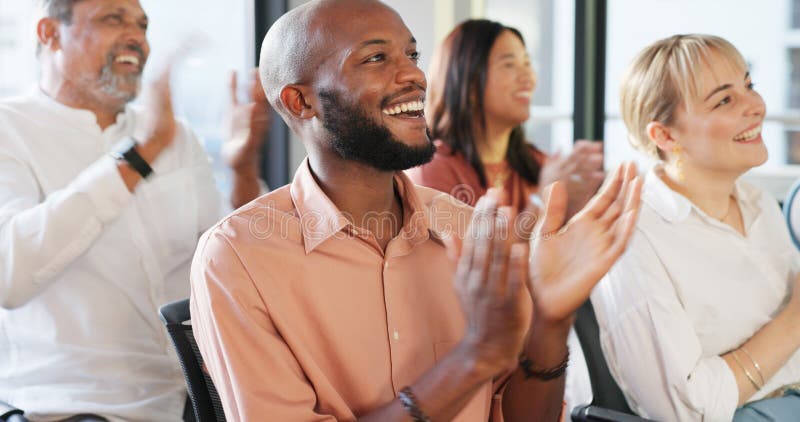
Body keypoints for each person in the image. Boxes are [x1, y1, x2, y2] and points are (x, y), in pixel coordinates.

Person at [190, 0, 642, 421]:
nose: (414, 76)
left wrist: (550, 321)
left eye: (412, 54)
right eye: (376, 58)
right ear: (300, 102)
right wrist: (474, 357)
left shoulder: (465, 228)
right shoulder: (238, 258)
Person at [0, 0, 267, 420]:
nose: (137, 37)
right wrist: (140, 154)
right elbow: (9, 274)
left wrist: (243, 167)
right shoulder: (8, 131)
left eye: (142, 24)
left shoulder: (175, 135)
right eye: (113, 19)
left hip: (196, 400)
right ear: (50, 33)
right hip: (71, 409)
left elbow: (235, 265)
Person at [591, 34, 800, 421]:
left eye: (749, 85)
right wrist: (794, 321)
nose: (755, 106)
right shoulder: (634, 239)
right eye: (724, 99)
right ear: (665, 136)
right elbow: (685, 409)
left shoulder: (759, 203)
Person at [405, 19, 603, 218]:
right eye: (509, 65)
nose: (528, 76)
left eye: (527, 63)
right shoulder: (433, 168)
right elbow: (470, 249)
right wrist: (543, 202)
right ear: (470, 84)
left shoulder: (538, 164)